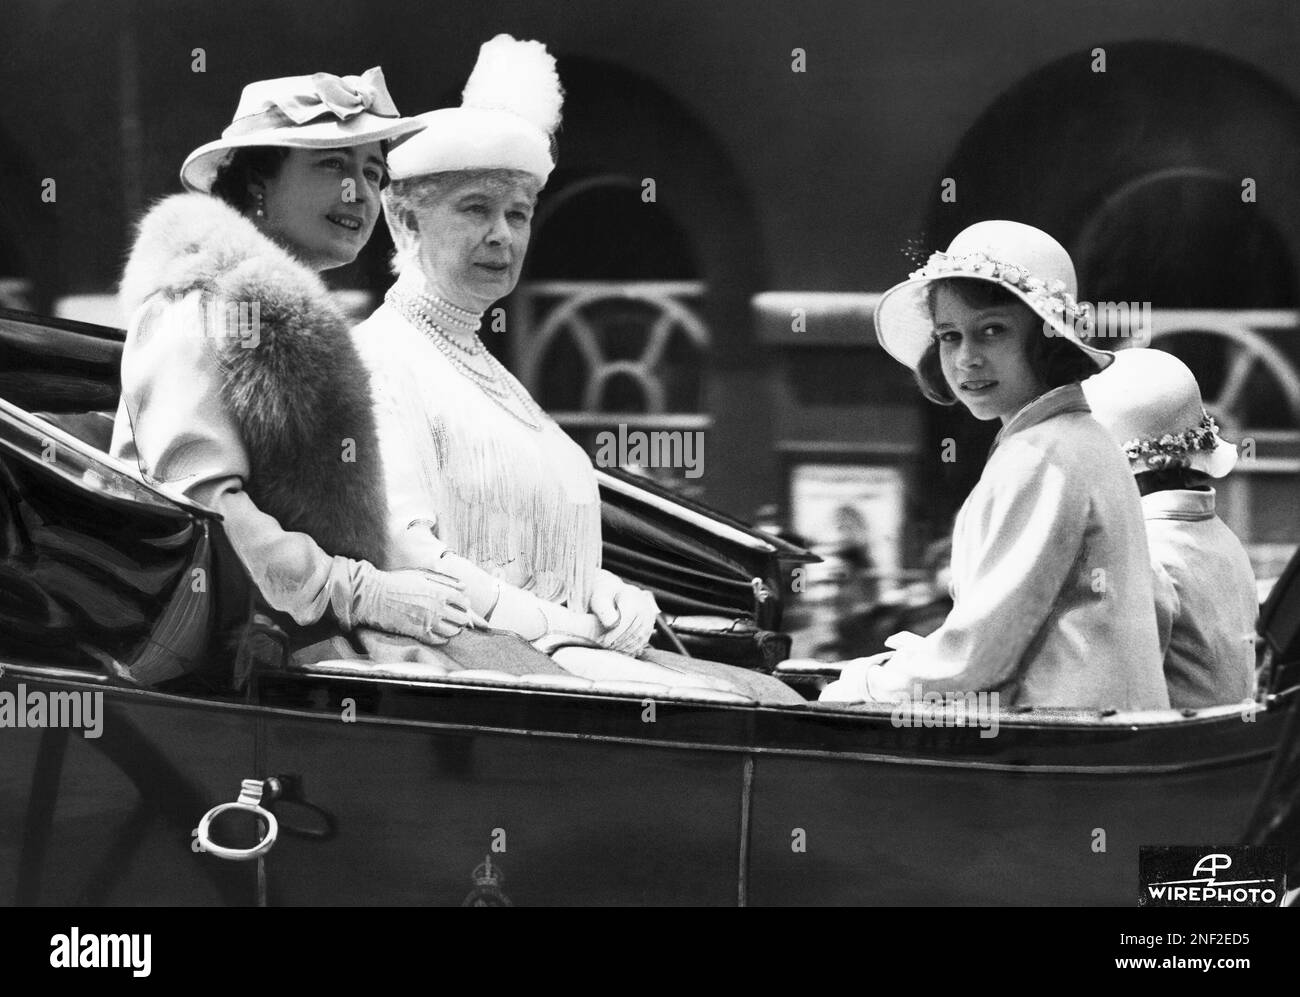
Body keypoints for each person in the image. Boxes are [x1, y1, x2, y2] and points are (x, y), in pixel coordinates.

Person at [351, 35, 803, 703]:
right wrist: (572, 622)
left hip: (556, 651)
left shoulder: (488, 372)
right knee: (743, 711)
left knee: (780, 698)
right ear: (403, 218)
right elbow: (410, 557)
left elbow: (534, 540)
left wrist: (606, 590)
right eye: (475, 208)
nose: (501, 235)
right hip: (471, 669)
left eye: (518, 213)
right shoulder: (378, 361)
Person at [110, 67, 473, 653]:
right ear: (258, 183)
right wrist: (361, 592)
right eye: (332, 165)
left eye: (373, 171)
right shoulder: (196, 300)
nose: (360, 193)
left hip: (317, 637)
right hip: (238, 656)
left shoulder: (296, 315)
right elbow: (197, 509)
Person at [822, 221, 1170, 710]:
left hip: (1063, 754)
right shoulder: (1077, 440)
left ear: (1048, 340)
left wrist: (861, 687)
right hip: (1095, 742)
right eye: (948, 336)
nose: (966, 359)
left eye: (992, 331)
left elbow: (977, 659)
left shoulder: (1043, 454)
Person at [1082, 348, 1258, 708]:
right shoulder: (1222, 538)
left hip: (1180, 752)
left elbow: (1120, 703)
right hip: (1228, 747)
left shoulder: (1141, 555)